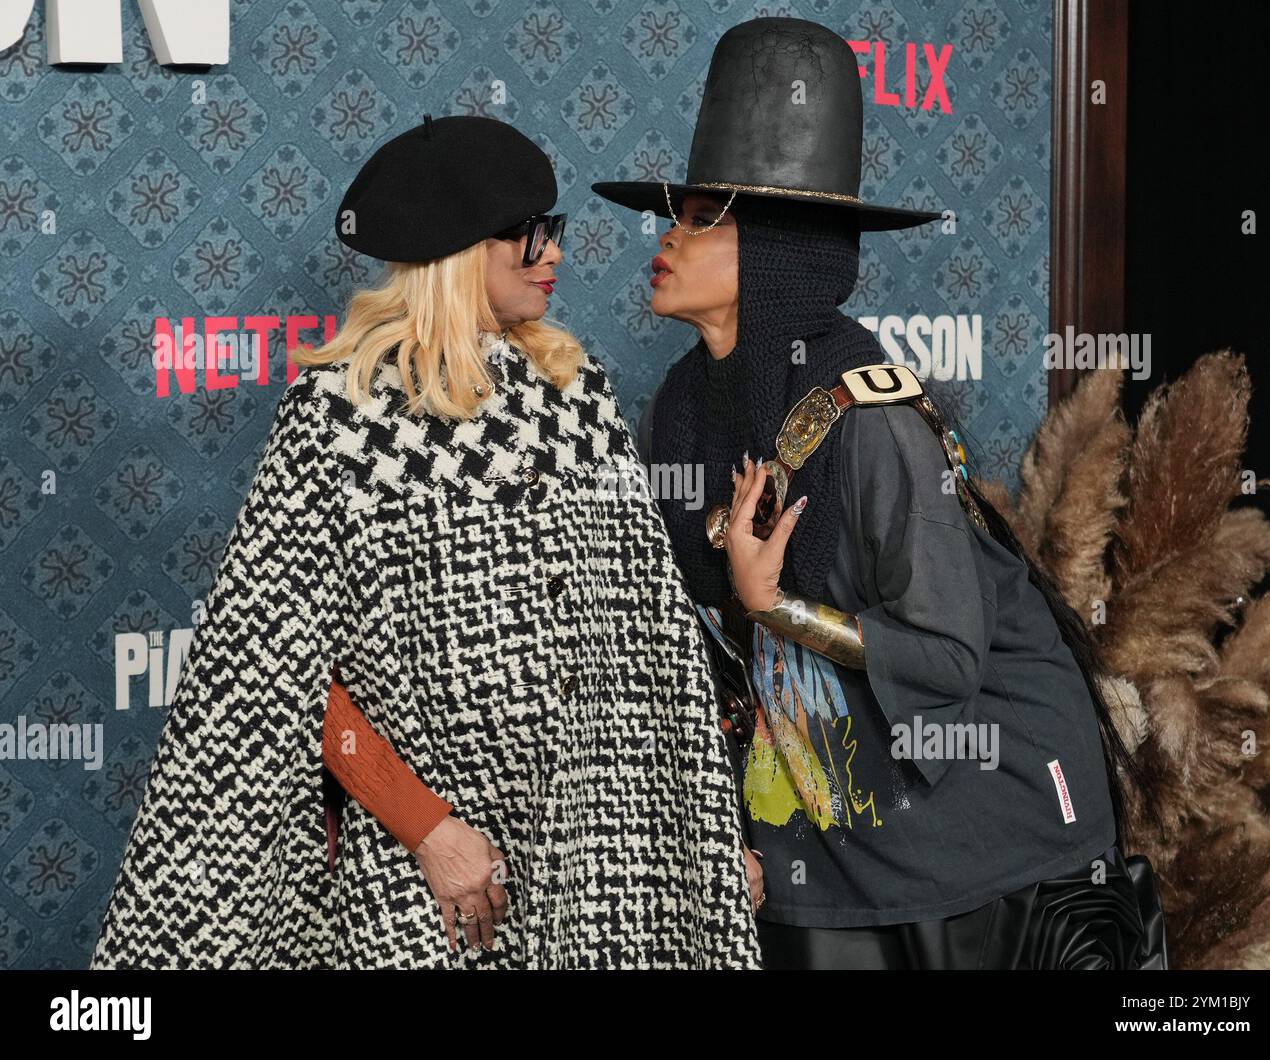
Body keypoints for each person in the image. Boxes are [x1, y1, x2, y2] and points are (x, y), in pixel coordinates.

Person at [90, 114, 762, 970]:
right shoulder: (338, 415)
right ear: (458, 249)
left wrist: (699, 835)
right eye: (531, 236)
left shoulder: (575, 397)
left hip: (586, 864)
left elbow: (645, 648)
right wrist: (428, 829)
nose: (555, 255)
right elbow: (271, 678)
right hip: (415, 867)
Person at [592, 17, 1166, 970]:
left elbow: (943, 657)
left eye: (701, 218)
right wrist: (709, 821)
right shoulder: (686, 409)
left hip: (984, 818)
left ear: (773, 249)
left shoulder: (871, 422)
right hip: (822, 806)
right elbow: (685, 648)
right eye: (675, 214)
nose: (668, 238)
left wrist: (774, 604)